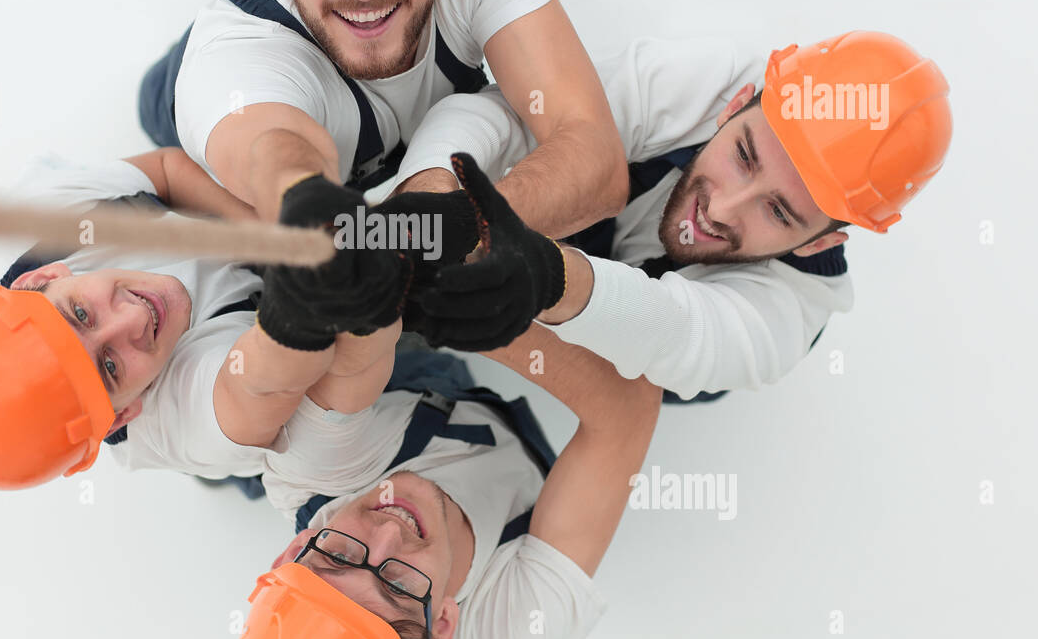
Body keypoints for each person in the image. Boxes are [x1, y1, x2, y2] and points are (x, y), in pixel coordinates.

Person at [139, 0, 630, 340]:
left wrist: (464, 225)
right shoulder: (232, 63)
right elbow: (273, 150)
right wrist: (302, 195)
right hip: (202, 94)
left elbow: (597, 159)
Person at [397, 31, 952, 401]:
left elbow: (681, 332)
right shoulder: (694, 80)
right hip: (557, 243)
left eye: (778, 211)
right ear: (735, 105)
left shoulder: (787, 319)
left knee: (633, 368)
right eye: (743, 156)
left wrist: (543, 278)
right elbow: (499, 116)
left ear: (818, 244)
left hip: (631, 356)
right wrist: (429, 200)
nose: (720, 208)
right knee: (575, 156)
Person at [0, 147, 404, 489]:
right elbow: (255, 387)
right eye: (110, 367)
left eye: (80, 313)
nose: (130, 320)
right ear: (123, 415)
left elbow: (165, 170)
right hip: (275, 399)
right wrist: (329, 273)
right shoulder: (176, 421)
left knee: (166, 99)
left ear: (40, 278)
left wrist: (275, 238)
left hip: (227, 236)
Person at [237, 319, 662, 639]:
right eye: (399, 587)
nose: (387, 533)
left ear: (295, 549)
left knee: (242, 440)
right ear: (442, 625)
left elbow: (360, 311)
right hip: (488, 439)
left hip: (409, 386)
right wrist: (481, 320)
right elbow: (631, 402)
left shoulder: (311, 470)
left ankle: (232, 470)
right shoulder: (509, 635)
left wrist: (422, 296)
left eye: (339, 557)